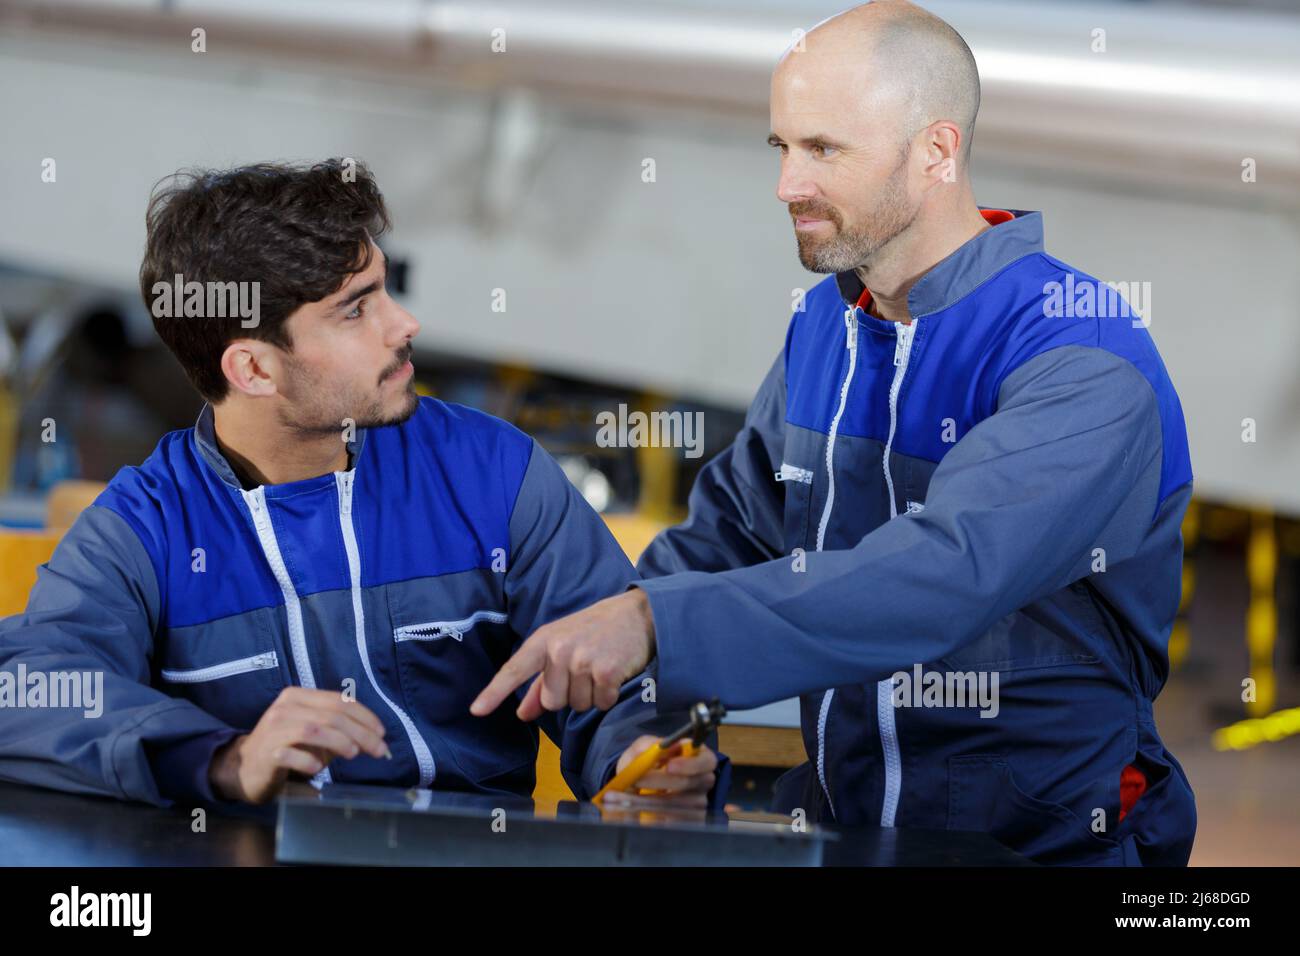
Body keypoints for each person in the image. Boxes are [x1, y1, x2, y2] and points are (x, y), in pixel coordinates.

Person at [473, 0, 1196, 865]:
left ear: (936, 150)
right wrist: (642, 724)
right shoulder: (829, 325)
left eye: (824, 149)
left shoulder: (1081, 352)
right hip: (841, 830)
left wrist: (658, 626)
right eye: (782, 147)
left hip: (1044, 847)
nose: (787, 184)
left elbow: (945, 574)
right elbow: (726, 540)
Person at [0, 159, 722, 810]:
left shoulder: (494, 471)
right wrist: (224, 757)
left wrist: (642, 752)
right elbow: (29, 692)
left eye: (386, 291)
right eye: (356, 309)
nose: (404, 324)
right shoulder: (143, 526)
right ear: (252, 369)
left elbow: (624, 675)